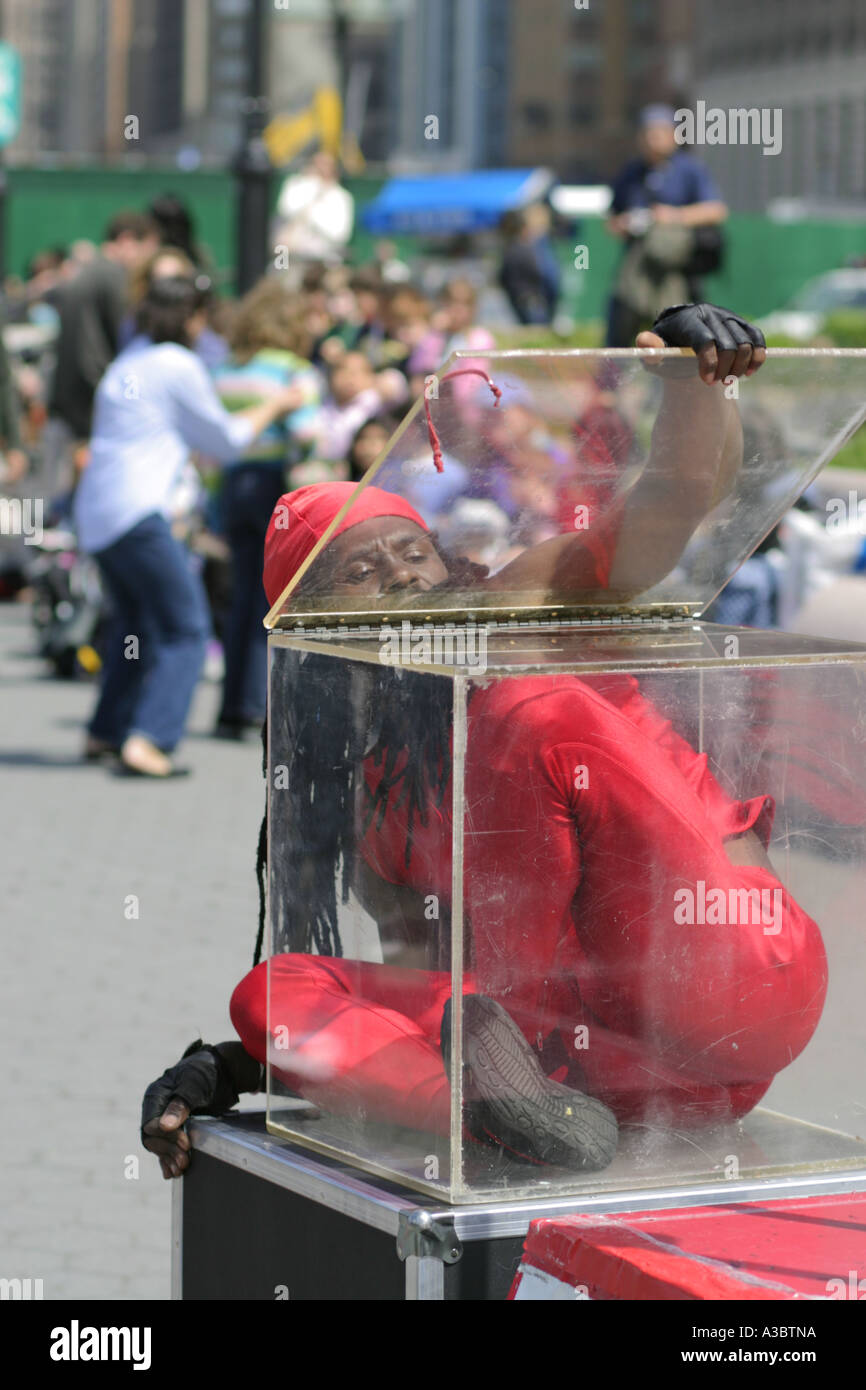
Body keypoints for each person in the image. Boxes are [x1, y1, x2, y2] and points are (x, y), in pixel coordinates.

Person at [141, 304, 824, 1180]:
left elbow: (676, 497)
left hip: (732, 968)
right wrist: (246, 1065)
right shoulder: (374, 799)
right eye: (359, 571)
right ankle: (498, 1116)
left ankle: (503, 1098)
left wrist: (697, 383)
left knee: (521, 708)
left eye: (411, 551)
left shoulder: (516, 607)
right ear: (309, 629)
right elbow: (441, 1006)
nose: (400, 575)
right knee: (274, 993)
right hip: (627, 1074)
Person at [73, 278, 302, 778]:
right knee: (187, 627)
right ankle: (151, 741)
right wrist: (276, 405)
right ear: (194, 318)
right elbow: (227, 441)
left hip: (99, 512)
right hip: (139, 511)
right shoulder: (178, 365)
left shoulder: (129, 361)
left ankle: (106, 731)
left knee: (134, 623)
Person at [210, 277, 322, 739]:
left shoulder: (226, 369)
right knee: (270, 598)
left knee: (241, 596)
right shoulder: (293, 370)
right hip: (273, 485)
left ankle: (231, 705)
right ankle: (259, 704)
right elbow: (308, 431)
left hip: (231, 483)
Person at [45, 211, 160, 500]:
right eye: (146, 252)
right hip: (93, 403)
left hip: (70, 403)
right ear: (127, 241)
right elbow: (128, 342)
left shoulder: (85, 273)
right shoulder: (113, 276)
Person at [606, 104, 728, 347]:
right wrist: (627, 223)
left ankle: (678, 371)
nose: (652, 139)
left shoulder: (689, 169)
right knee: (621, 320)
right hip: (639, 267)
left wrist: (673, 216)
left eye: (659, 132)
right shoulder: (632, 172)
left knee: (681, 331)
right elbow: (611, 220)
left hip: (678, 268)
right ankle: (613, 373)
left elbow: (717, 211)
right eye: (647, 133)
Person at [273, 152, 354, 273]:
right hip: (289, 254)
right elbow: (285, 210)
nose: (321, 171)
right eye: (317, 166)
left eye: (326, 167)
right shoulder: (295, 184)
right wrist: (312, 188)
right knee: (279, 266)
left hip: (323, 259)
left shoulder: (342, 197)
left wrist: (313, 218)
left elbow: (340, 235)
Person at [498, 204, 561, 326]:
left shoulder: (513, 248)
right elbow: (550, 278)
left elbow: (502, 278)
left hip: (523, 302)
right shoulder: (534, 248)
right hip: (533, 303)